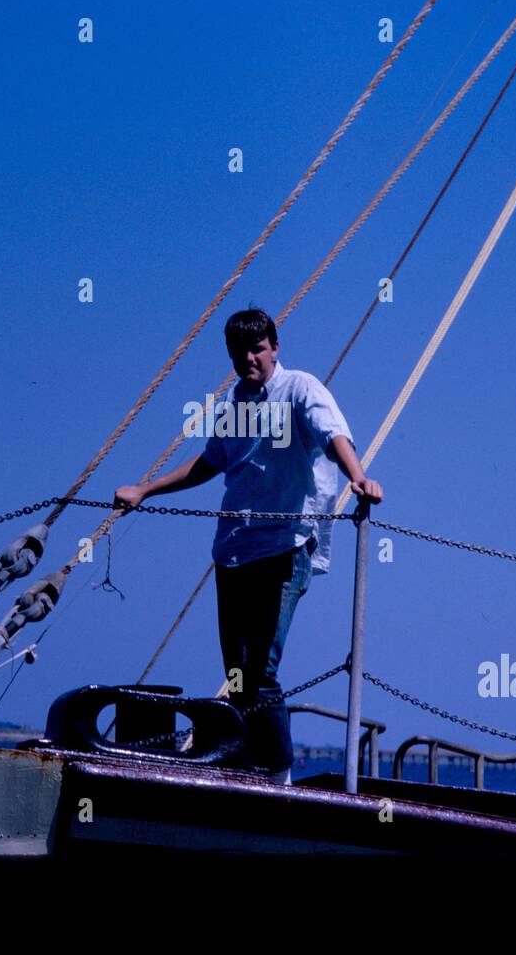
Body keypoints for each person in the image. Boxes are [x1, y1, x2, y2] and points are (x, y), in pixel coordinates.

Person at [114, 308, 382, 784]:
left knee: (261, 670)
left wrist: (358, 478)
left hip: (286, 545)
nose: (249, 359)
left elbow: (333, 434)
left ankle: (276, 773)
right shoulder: (234, 406)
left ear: (274, 347)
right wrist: (144, 488)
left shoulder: (301, 388)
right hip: (234, 548)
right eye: (240, 352)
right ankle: (243, 767)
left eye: (257, 349)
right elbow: (208, 463)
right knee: (236, 672)